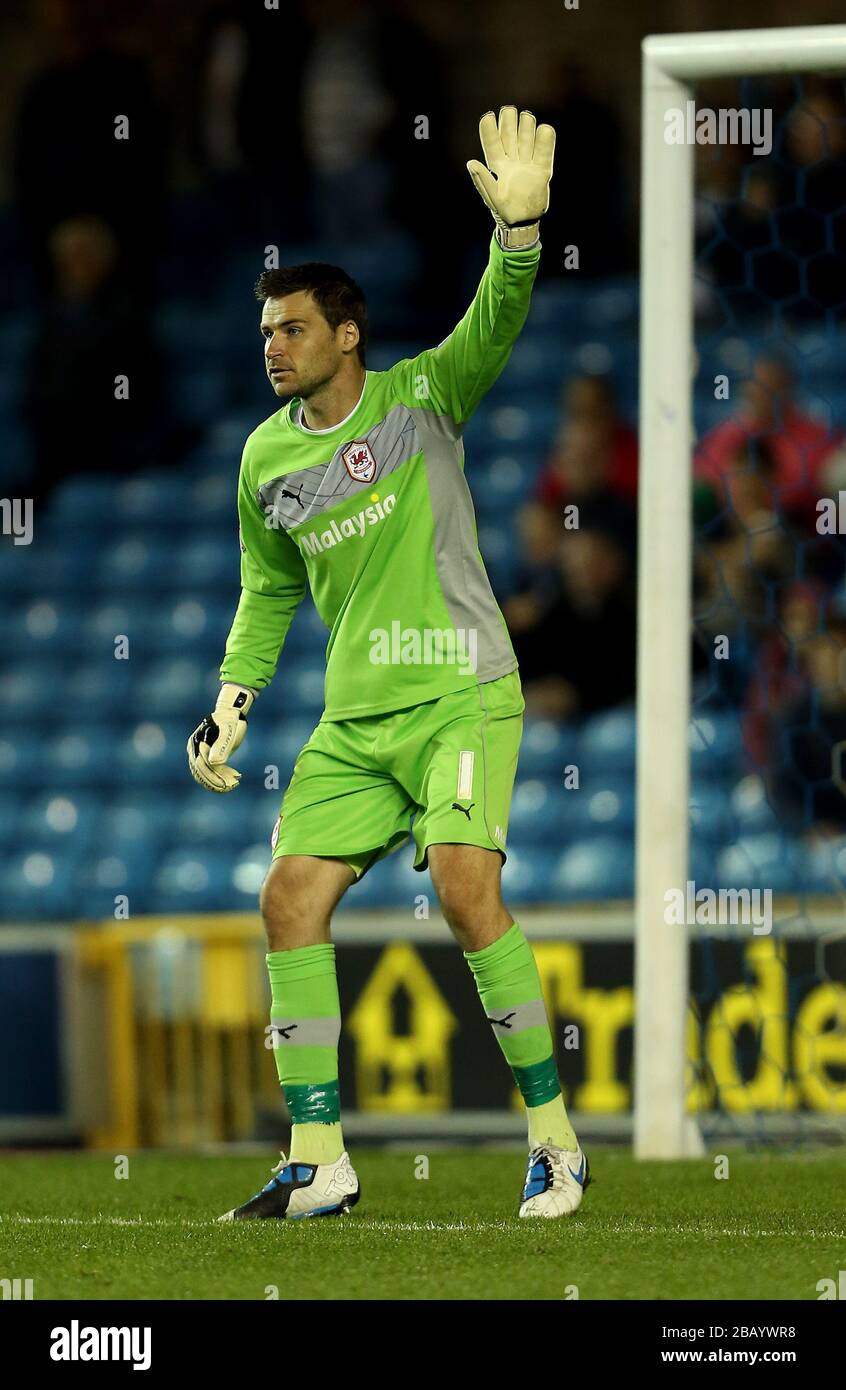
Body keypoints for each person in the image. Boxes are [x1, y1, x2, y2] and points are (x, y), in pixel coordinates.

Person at [187, 108, 590, 1221]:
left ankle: (554, 1141)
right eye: (266, 330)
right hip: (355, 722)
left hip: (461, 688)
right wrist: (232, 701)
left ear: (347, 336)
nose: (273, 344)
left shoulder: (423, 398)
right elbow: (267, 589)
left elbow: (494, 323)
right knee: (287, 898)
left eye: (293, 328)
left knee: (467, 892)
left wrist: (519, 237)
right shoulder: (266, 458)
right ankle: (320, 1156)